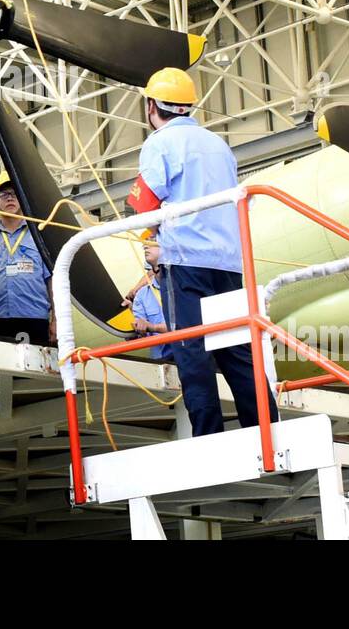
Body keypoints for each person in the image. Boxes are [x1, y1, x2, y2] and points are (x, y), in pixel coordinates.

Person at [128, 67, 278, 436]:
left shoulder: (159, 144)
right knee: (238, 351)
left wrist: (151, 229)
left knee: (191, 351)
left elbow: (143, 205)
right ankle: (267, 432)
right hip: (228, 263)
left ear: (151, 106)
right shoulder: (217, 144)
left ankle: (208, 436)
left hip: (185, 262)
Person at [0, 171, 52, 345]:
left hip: (33, 317)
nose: (10, 198)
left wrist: (56, 320)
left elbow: (52, 281)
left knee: (33, 371)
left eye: (14, 193)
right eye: (3, 194)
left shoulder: (39, 237)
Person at [122, 229, 170, 360]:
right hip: (163, 363)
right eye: (145, 243)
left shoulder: (184, 286)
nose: (145, 246)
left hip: (188, 358)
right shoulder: (142, 296)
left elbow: (185, 326)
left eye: (152, 240)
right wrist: (132, 325)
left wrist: (153, 327)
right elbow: (139, 331)